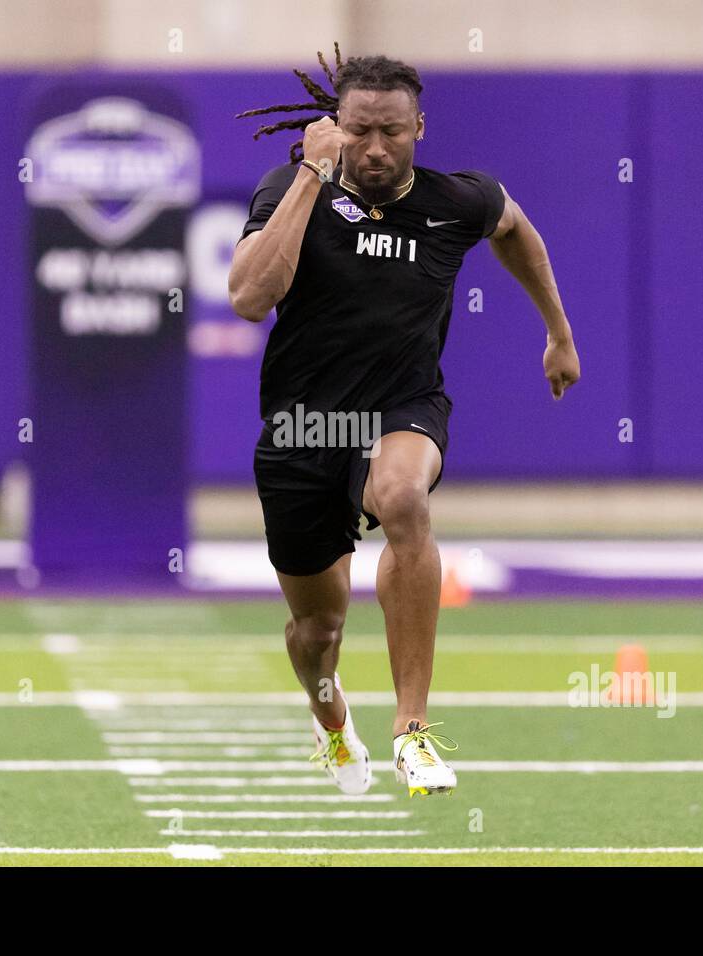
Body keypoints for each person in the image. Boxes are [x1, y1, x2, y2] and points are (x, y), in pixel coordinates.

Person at [228, 51, 580, 797]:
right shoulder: (289, 191)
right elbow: (250, 299)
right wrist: (306, 177)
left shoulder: (458, 202)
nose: (376, 149)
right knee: (316, 636)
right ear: (335, 128)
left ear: (419, 127)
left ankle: (412, 732)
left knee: (403, 499)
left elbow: (515, 229)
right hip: (302, 432)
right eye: (359, 131)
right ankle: (332, 727)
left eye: (392, 131)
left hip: (401, 408)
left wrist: (557, 331)